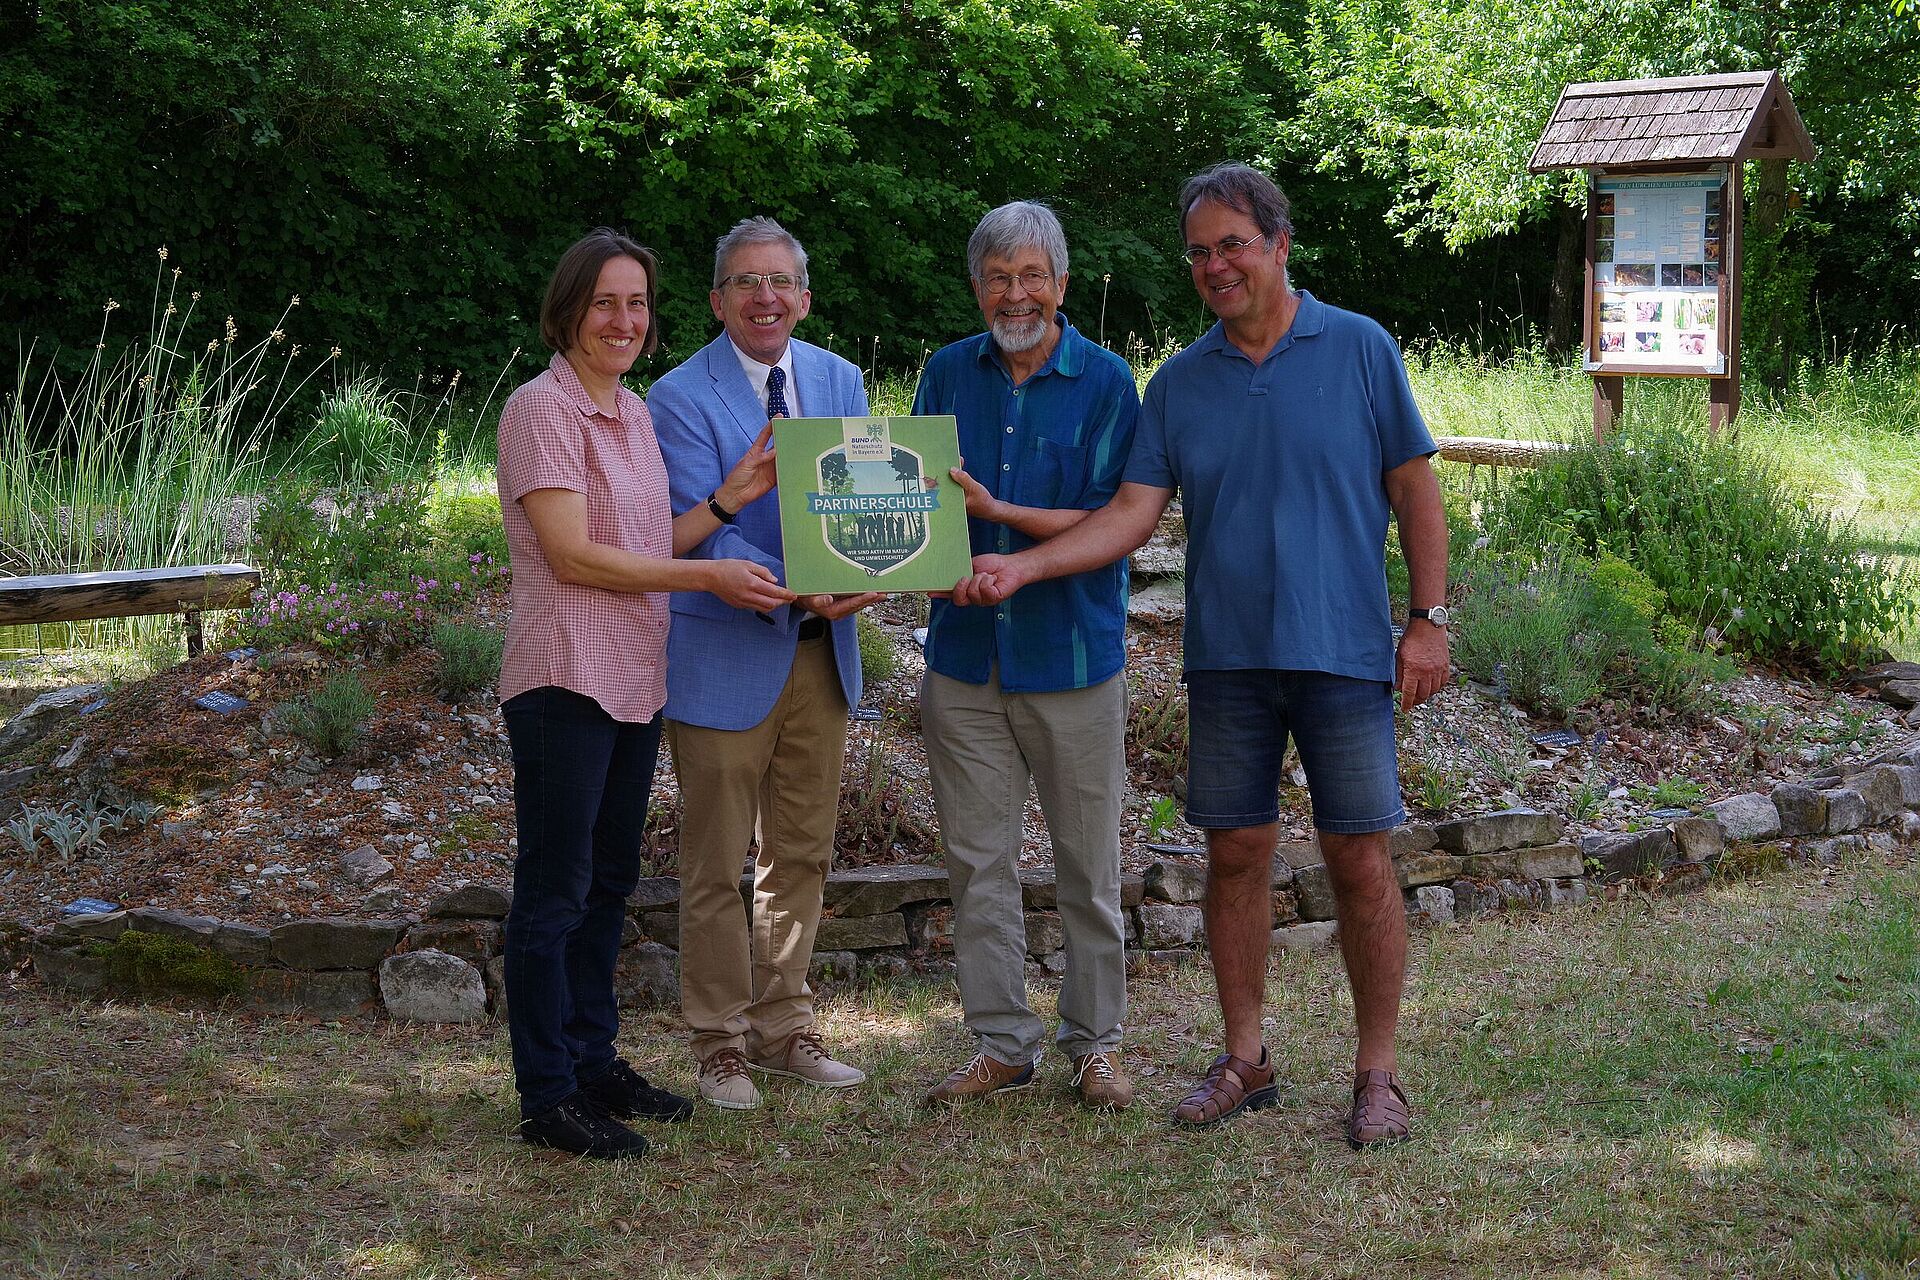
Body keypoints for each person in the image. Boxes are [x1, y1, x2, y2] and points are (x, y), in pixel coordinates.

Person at [952, 164, 1451, 1148]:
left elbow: (1414, 484)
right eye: (1200, 250)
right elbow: (1130, 516)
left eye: (1232, 243)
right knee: (1235, 856)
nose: (1216, 264)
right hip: (1227, 659)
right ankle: (1245, 1056)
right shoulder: (1179, 382)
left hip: (1345, 652)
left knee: (1359, 858)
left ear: (1278, 244)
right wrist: (1022, 567)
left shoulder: (1358, 347)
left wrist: (1429, 616)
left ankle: (1378, 1071)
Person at [497, 228, 794, 1159]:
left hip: (631, 679)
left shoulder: (624, 412)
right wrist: (711, 580)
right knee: (554, 893)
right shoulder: (542, 410)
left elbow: (653, 540)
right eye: (604, 303)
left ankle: (594, 1064)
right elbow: (574, 555)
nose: (623, 320)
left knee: (608, 885)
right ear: (569, 310)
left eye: (636, 304)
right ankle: (548, 1094)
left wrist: (731, 502)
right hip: (562, 678)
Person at [648, 217, 883, 1110]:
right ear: (717, 300)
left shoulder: (839, 380)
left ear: (806, 297)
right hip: (721, 652)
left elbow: (858, 509)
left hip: (822, 658)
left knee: (802, 854)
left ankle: (787, 1028)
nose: (766, 297)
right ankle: (720, 1045)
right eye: (747, 282)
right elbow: (690, 531)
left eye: (782, 281)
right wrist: (804, 583)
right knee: (714, 864)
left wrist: (865, 571)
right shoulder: (675, 396)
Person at [913, 202, 1140, 1110]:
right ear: (977, 288)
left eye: (1032, 275)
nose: (1017, 293)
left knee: (1089, 870)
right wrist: (944, 567)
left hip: (1073, 658)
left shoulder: (1110, 383)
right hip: (965, 659)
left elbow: (1115, 521)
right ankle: (1003, 1042)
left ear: (1063, 284)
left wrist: (997, 531)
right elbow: (920, 508)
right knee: (978, 865)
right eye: (999, 277)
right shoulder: (943, 373)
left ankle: (1095, 1045)